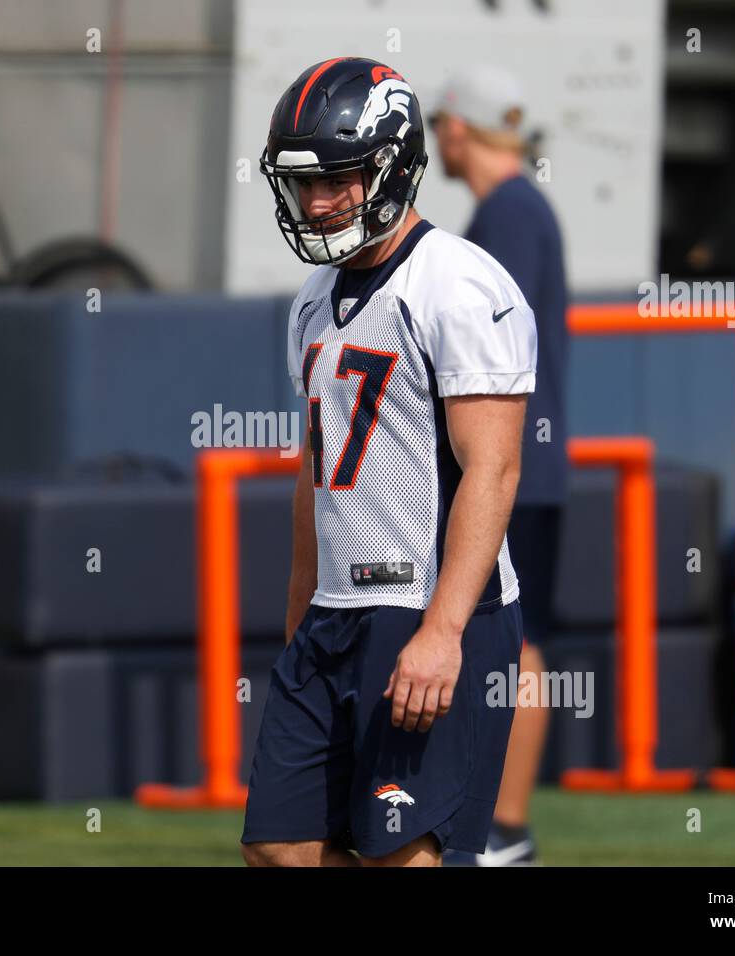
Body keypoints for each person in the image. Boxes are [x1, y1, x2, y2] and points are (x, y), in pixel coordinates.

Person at [240, 57, 535, 867]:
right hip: (336, 614)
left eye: (342, 177)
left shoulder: (460, 285)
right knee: (278, 850)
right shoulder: (311, 300)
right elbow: (316, 475)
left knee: (404, 857)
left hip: (428, 607)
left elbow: (494, 471)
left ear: (396, 166)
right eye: (306, 183)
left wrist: (442, 631)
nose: (321, 200)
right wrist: (300, 621)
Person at [429, 65, 569, 866]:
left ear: (458, 129)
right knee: (518, 642)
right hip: (525, 463)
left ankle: (504, 829)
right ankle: (497, 827)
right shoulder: (518, 208)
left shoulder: (508, 214)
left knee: (516, 644)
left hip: (511, 465)